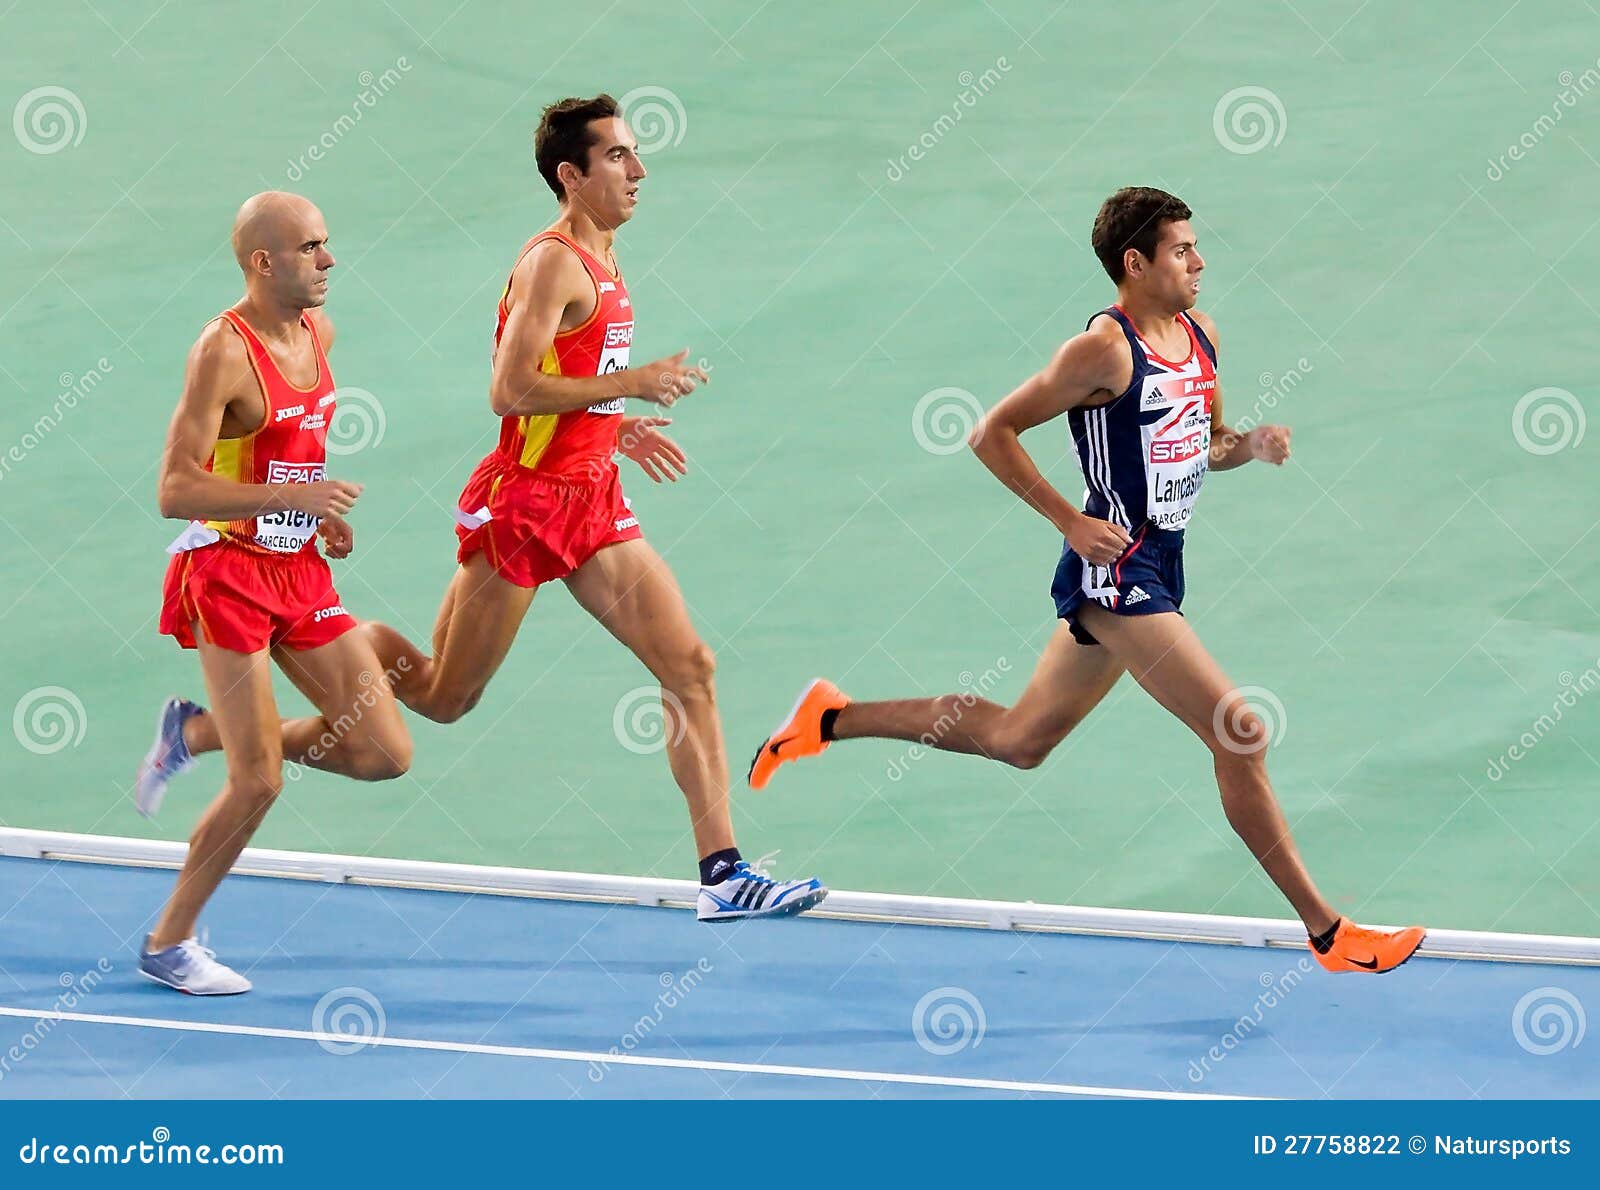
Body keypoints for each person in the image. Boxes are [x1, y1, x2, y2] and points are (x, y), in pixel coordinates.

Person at [748, 187, 1423, 973]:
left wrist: (1249, 449)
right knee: (1241, 731)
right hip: (1117, 570)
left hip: (1162, 563)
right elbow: (991, 432)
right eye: (1181, 250)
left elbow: (1203, 443)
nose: (1199, 262)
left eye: (1196, 247)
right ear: (1135, 264)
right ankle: (1328, 933)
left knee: (1020, 739)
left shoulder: (1200, 335)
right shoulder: (1102, 351)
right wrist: (1069, 520)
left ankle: (830, 719)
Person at [361, 95, 824, 922]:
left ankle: (723, 875)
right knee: (442, 696)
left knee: (689, 667)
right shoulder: (554, 263)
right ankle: (335, 642)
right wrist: (630, 383)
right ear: (571, 176)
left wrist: (613, 428)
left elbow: (563, 388)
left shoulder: (605, 256)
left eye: (635, 155)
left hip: (593, 500)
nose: (639, 171)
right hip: (527, 507)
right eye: (617, 158)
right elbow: (508, 392)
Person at [137, 192, 413, 994]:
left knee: (382, 751)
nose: (328, 261)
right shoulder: (221, 353)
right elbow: (175, 489)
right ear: (264, 263)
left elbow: (288, 449)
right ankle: (168, 941)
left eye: (327, 244)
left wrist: (315, 514)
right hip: (224, 575)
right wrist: (288, 503)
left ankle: (197, 733)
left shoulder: (317, 332)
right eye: (310, 248)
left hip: (296, 569)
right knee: (259, 782)